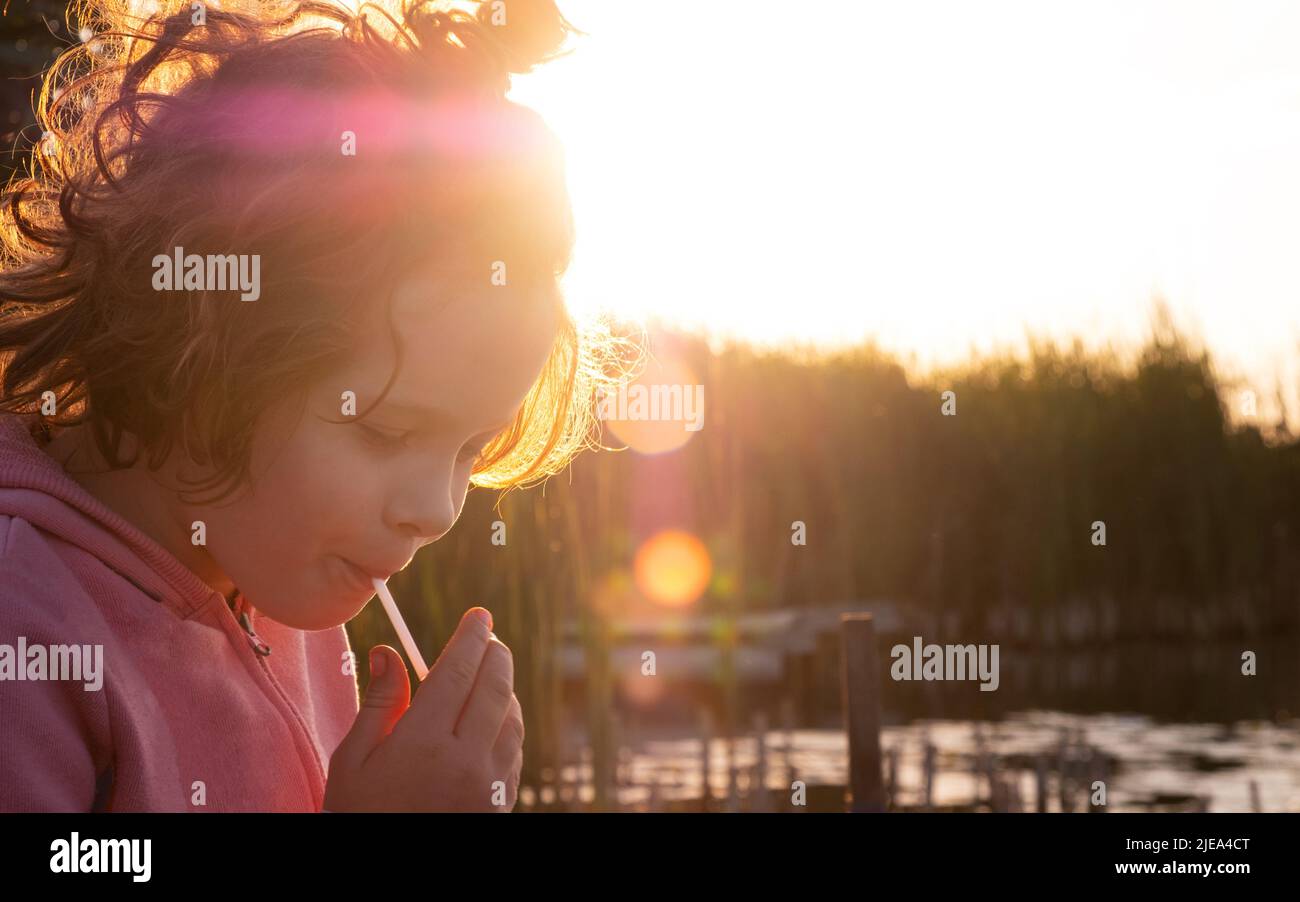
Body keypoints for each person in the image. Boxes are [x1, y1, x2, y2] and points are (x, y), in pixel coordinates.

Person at [0, 0, 622, 811]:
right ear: (200, 354)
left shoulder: (277, 580)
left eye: (471, 447)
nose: (437, 510)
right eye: (385, 429)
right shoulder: (28, 639)